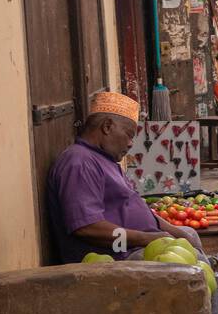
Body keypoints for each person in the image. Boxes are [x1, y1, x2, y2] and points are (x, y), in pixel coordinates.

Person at [46, 91, 203, 263]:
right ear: (107, 127)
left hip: (139, 245)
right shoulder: (79, 163)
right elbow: (86, 227)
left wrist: (173, 231)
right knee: (188, 265)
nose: (130, 143)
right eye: (129, 135)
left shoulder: (104, 159)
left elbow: (132, 206)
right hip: (119, 255)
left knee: (190, 234)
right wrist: (146, 239)